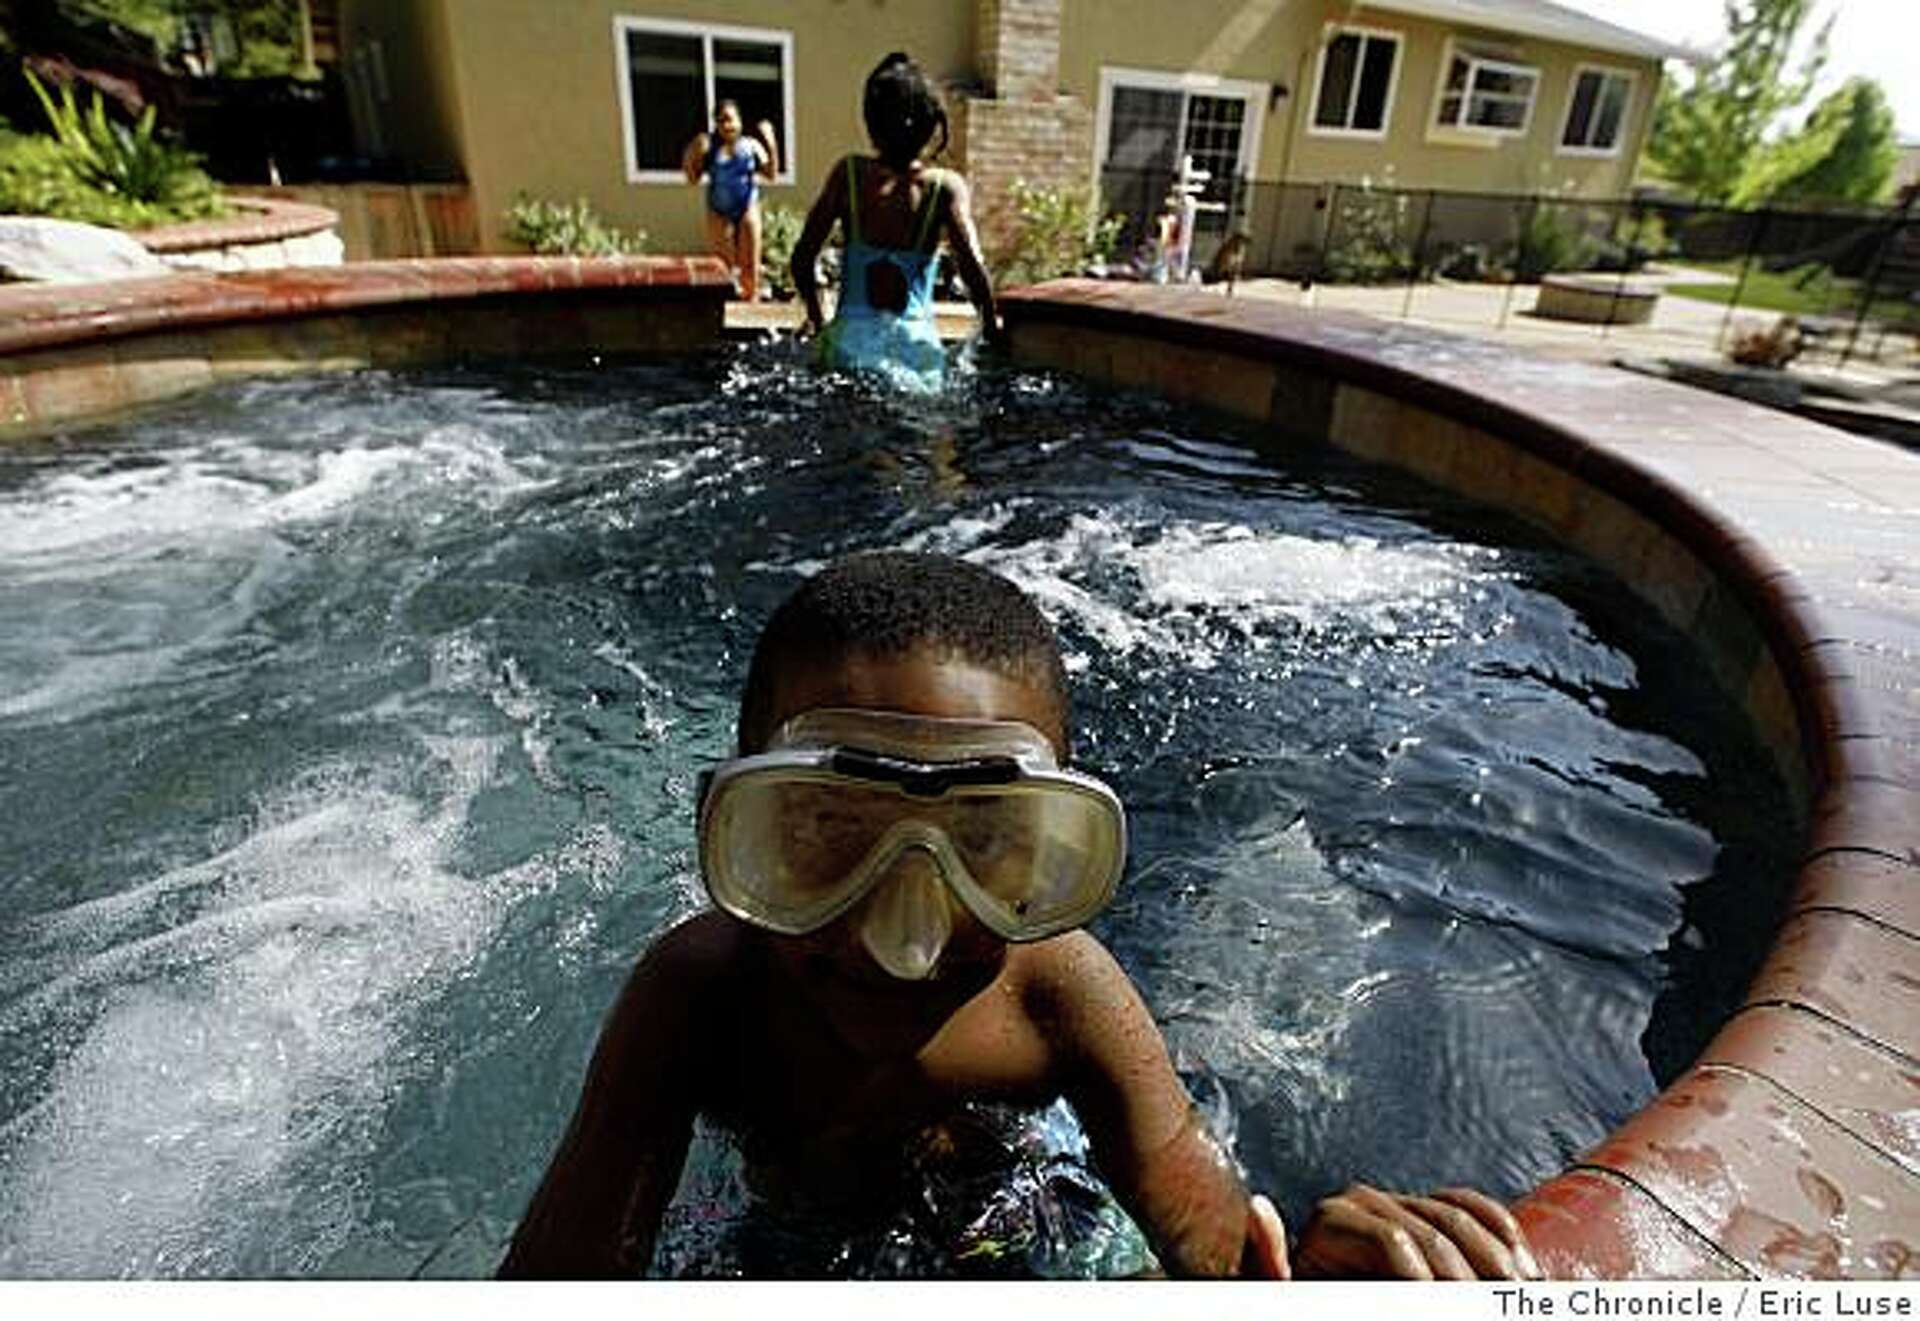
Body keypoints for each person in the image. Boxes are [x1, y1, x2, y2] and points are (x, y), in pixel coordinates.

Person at [498, 550, 1543, 1280]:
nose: (903, 941)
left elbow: (1198, 1221)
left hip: (1012, 1205)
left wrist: (1300, 1264)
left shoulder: (1056, 988)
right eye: (824, 830)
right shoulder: (698, 993)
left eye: (990, 841)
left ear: (1058, 853)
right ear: (739, 832)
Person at [790, 53, 1001, 392]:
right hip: (916, 352)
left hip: (850, 346)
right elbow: (973, 266)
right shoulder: (943, 188)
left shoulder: (849, 175)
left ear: (870, 122)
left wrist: (817, 319)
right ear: (931, 125)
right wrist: (991, 326)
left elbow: (802, 258)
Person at [682, 100, 779, 302]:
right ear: (716, 124)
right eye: (721, 121)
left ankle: (751, 304)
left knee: (750, 265)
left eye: (730, 120)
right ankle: (725, 307)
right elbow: (692, 179)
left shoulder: (751, 145)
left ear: (740, 121)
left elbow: (771, 174)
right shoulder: (709, 147)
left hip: (747, 205)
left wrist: (771, 143)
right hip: (718, 209)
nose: (727, 126)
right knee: (723, 266)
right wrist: (691, 153)